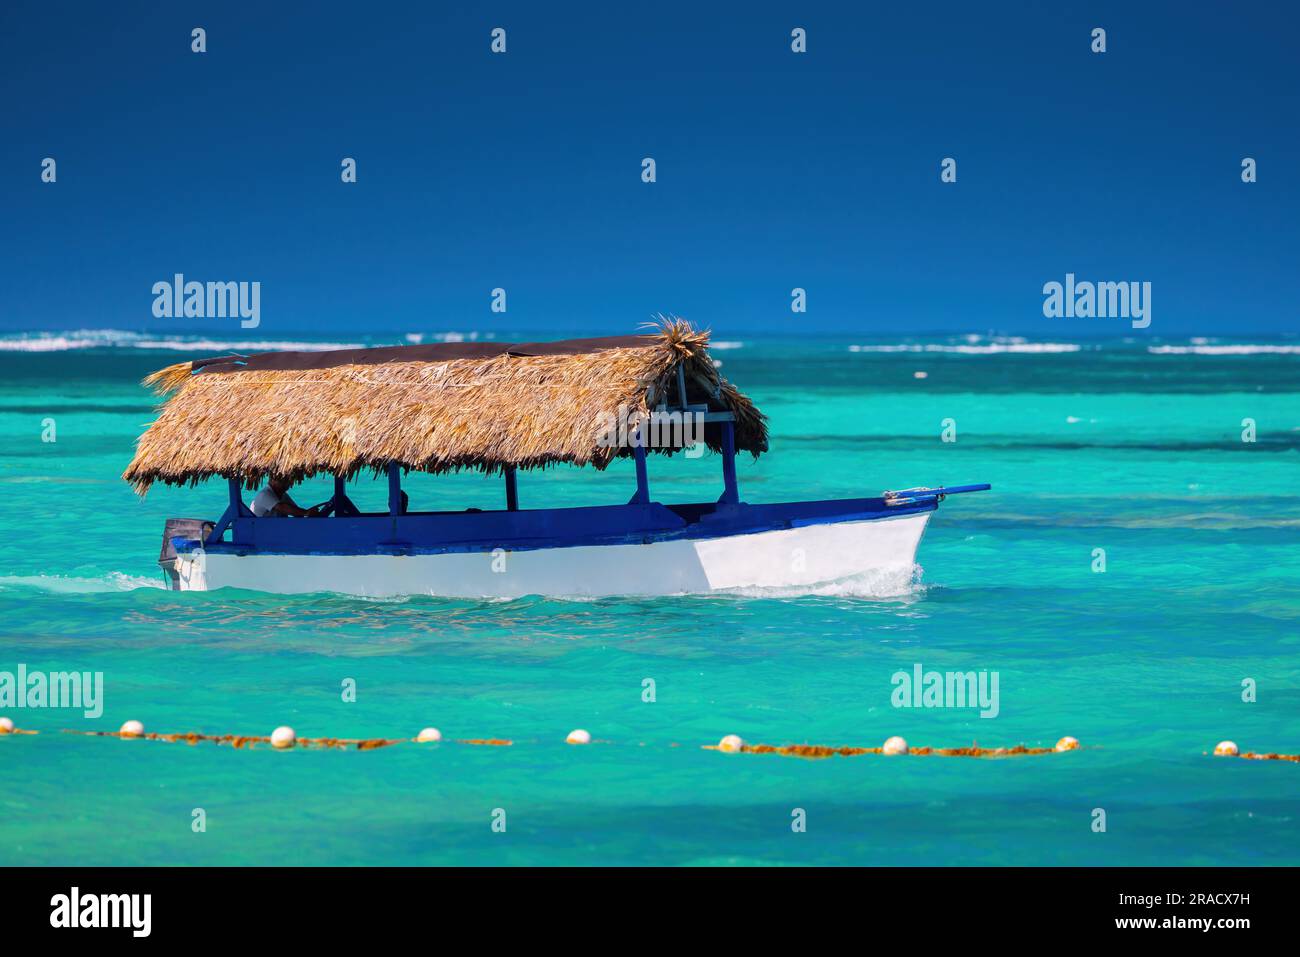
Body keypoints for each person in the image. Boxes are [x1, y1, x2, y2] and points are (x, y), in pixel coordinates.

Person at [250, 477, 324, 518]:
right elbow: (282, 507)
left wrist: (308, 513)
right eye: (282, 479)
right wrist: (306, 512)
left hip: (277, 531)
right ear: (272, 481)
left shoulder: (282, 494)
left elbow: (295, 510)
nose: (287, 482)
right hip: (264, 532)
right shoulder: (265, 494)